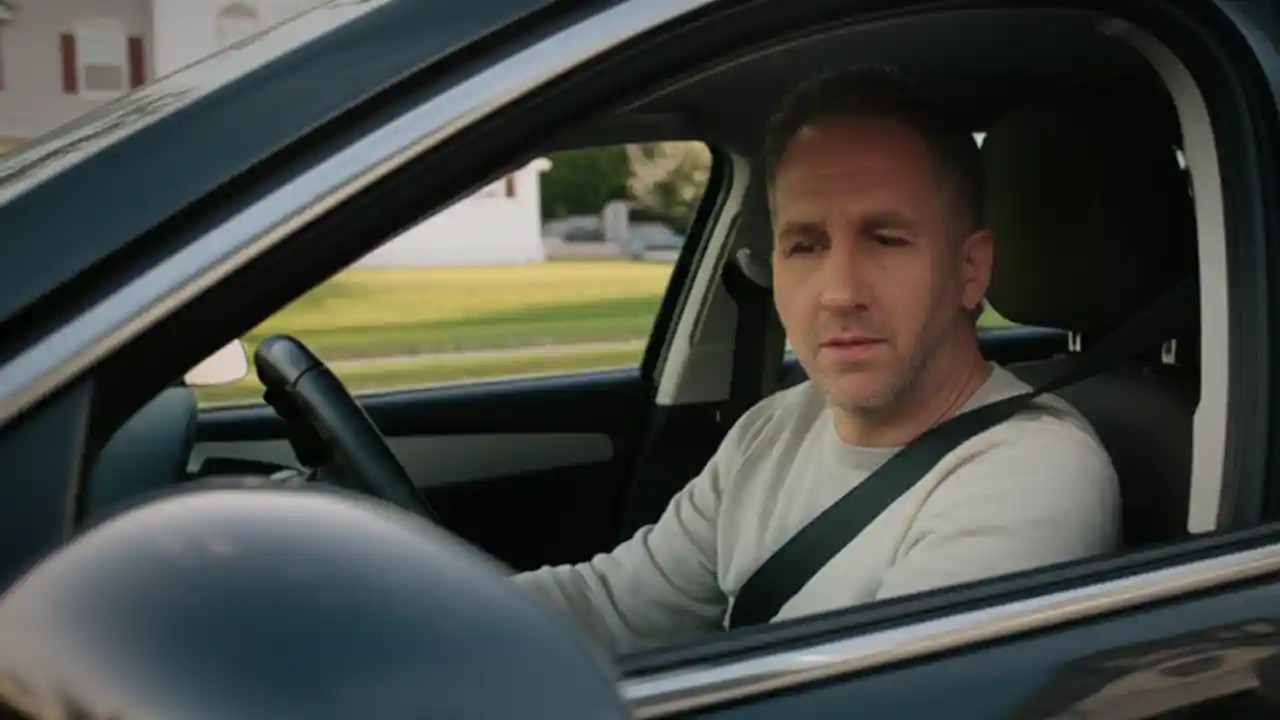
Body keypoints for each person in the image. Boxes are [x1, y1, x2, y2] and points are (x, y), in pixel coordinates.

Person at [515, 68, 1119, 655]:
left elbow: (883, 702)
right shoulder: (772, 430)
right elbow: (613, 606)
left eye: (885, 240)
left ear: (970, 270)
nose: (838, 292)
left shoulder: (1032, 475)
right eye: (805, 246)